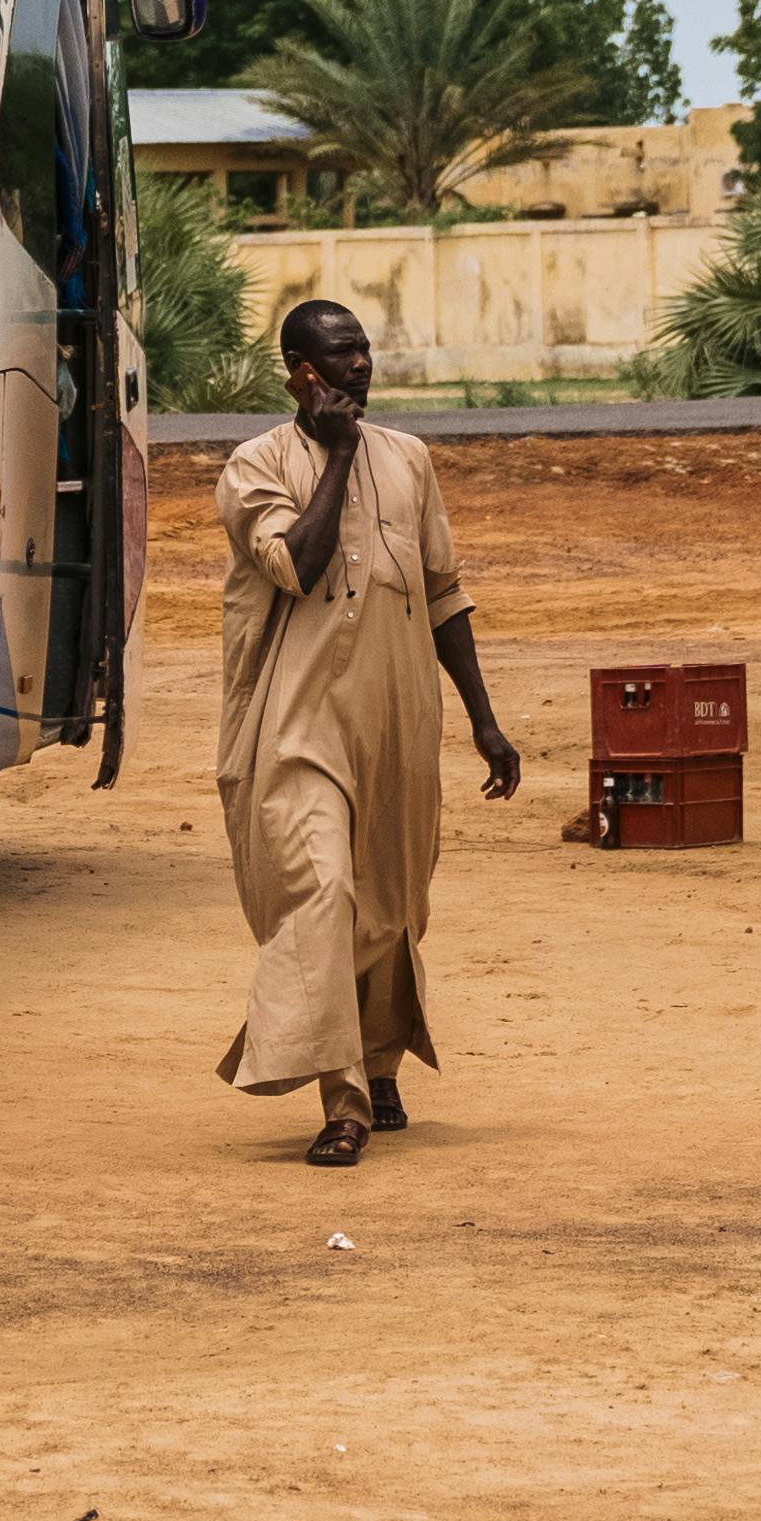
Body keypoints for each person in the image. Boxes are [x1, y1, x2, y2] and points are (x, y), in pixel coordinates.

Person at [212, 297, 522, 1170]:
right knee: (322, 895)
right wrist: (339, 451)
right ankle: (344, 1101)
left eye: (365, 351)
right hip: (297, 723)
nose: (360, 366)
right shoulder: (254, 466)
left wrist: (485, 720)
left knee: (389, 907)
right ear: (300, 373)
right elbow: (297, 565)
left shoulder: (410, 458)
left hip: (397, 716)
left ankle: (380, 1064)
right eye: (341, 354)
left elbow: (444, 592)